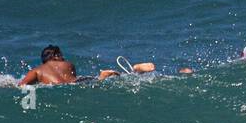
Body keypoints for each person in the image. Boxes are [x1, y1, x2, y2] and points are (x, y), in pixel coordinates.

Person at [18, 45, 154, 85]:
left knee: (96, 84)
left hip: (66, 87)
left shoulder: (37, 71)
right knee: (95, 81)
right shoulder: (67, 64)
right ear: (56, 56)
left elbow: (22, 85)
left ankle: (102, 77)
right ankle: (136, 71)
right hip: (79, 81)